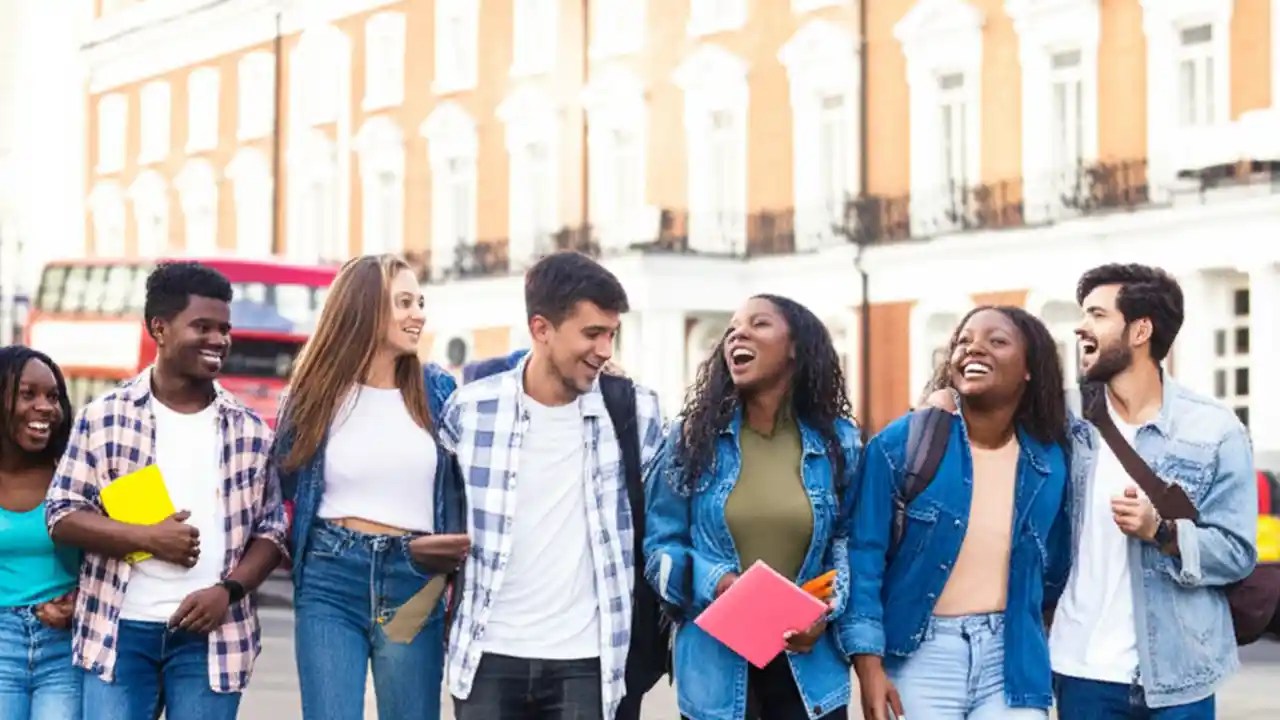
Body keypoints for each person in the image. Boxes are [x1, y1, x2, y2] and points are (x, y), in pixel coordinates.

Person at [45, 262, 287, 720]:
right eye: (203, 326)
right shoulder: (106, 417)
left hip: (211, 639)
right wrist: (148, 538)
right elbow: (61, 515)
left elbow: (272, 531)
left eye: (224, 328)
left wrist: (228, 592)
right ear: (159, 328)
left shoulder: (250, 431)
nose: (219, 339)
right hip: (118, 633)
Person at [440, 251, 664, 720]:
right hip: (487, 654)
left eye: (611, 335)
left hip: (587, 660)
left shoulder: (636, 412)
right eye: (591, 333)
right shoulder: (470, 410)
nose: (605, 350)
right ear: (541, 329)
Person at [1047, 264, 1256, 717]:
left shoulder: (1215, 430)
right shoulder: (1061, 420)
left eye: (1098, 315)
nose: (1083, 326)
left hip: (1182, 671)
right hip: (1082, 668)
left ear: (1140, 330)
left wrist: (1162, 531)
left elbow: (1238, 551)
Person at [643, 294, 861, 720]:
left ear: (796, 347)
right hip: (714, 676)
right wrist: (720, 584)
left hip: (809, 671)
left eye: (759, 324)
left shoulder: (841, 442)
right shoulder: (691, 440)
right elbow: (660, 549)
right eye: (732, 329)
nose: (737, 333)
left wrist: (827, 611)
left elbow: (849, 542)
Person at [849, 306, 1072, 720]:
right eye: (963, 341)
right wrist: (868, 666)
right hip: (920, 656)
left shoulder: (1050, 460)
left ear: (1029, 368)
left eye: (997, 341)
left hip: (1012, 657)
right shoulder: (900, 446)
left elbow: (1056, 563)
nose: (975, 349)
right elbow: (863, 558)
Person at [273, 254, 468, 720]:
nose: (417, 313)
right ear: (365, 307)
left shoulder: (437, 389)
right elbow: (280, 482)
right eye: (403, 302)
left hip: (414, 580)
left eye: (419, 302)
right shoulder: (315, 393)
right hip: (330, 575)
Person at [0, 346, 80, 719]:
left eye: (53, 396)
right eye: (27, 394)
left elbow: (149, 536)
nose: (46, 407)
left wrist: (88, 598)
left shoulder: (80, 465)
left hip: (65, 646)